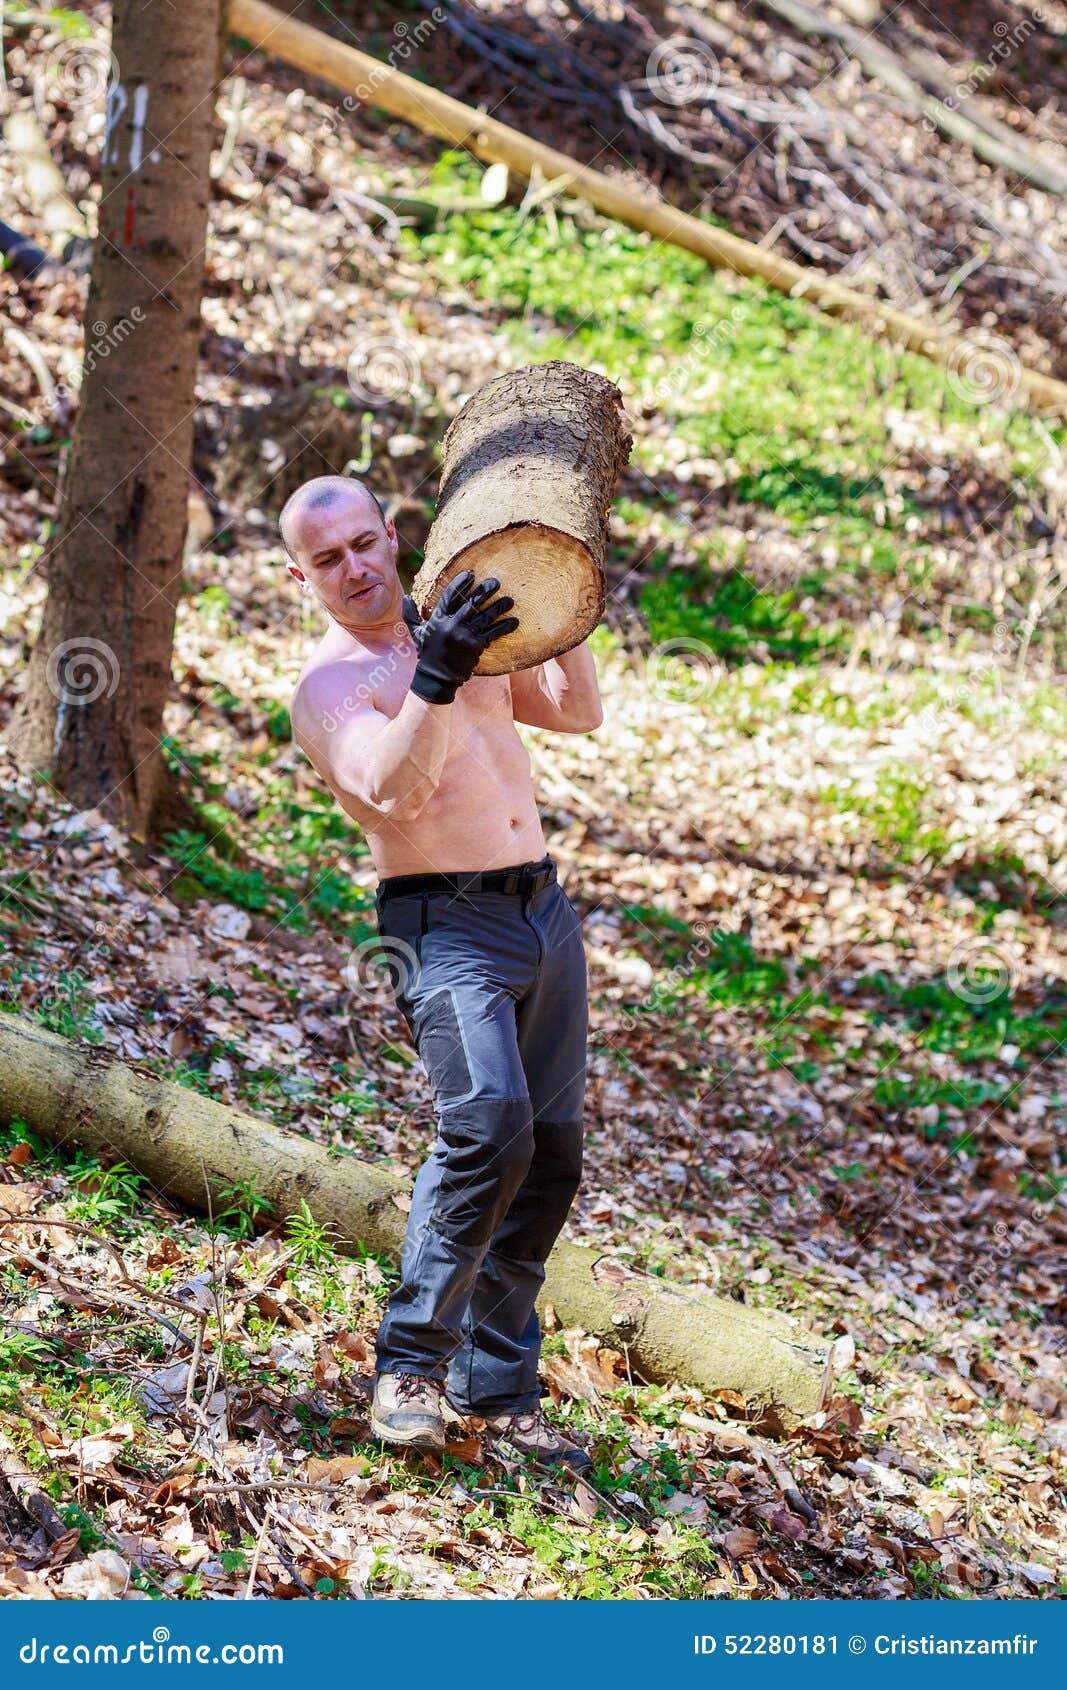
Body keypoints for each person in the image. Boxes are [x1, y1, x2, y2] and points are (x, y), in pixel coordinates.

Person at [283, 474, 603, 1471]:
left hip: (539, 911)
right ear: (299, 575)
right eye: (328, 559)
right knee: (486, 1125)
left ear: (392, 534)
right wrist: (436, 674)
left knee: (550, 1150)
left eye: (364, 543)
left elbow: (576, 710)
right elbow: (387, 790)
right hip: (441, 925)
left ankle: (497, 1382)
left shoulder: (463, 626)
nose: (356, 569)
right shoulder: (333, 687)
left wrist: (555, 586)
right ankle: (409, 1366)